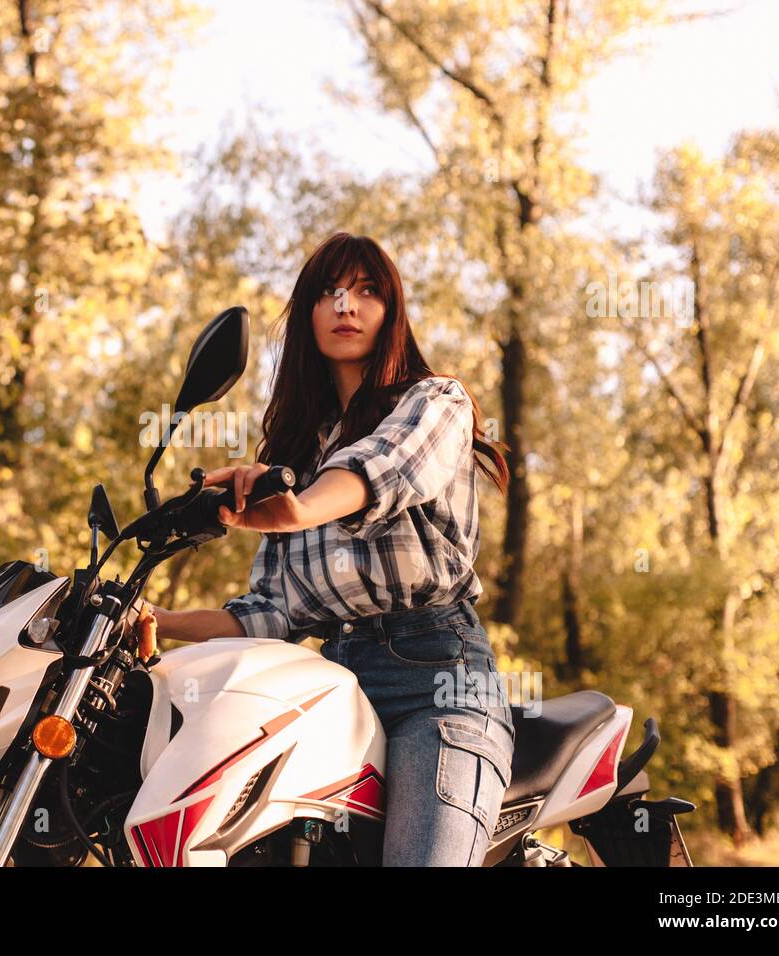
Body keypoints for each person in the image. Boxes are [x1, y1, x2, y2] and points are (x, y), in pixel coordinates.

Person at [137, 231, 515, 866]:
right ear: (307, 312)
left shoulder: (434, 402)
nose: (347, 306)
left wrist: (296, 508)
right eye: (330, 292)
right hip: (333, 687)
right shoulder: (296, 455)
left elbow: (381, 470)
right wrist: (155, 621)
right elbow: (268, 616)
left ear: (391, 313)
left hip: (440, 685)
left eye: (367, 292)